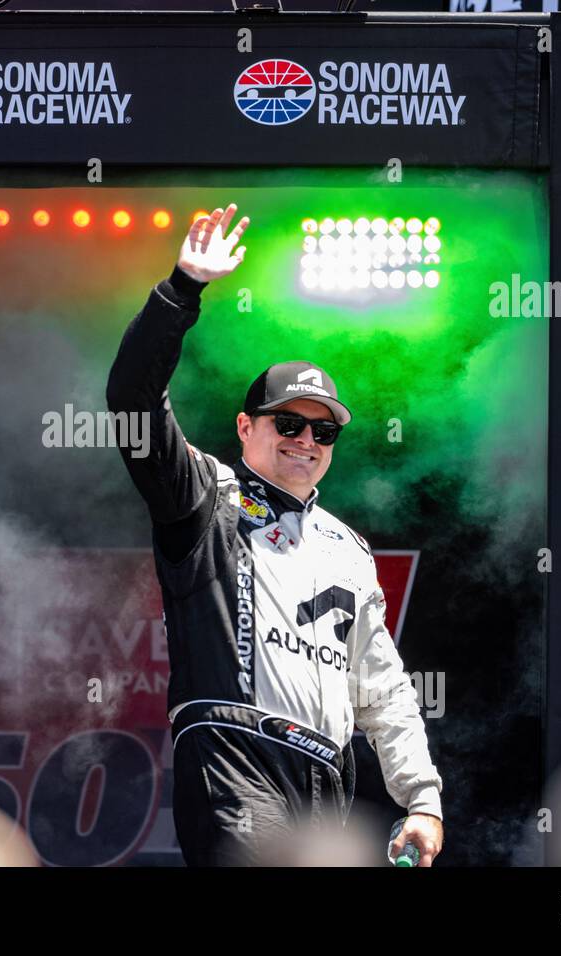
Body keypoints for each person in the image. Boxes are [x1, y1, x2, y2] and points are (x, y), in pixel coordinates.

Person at [106, 203, 444, 866]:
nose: (307, 441)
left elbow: (382, 687)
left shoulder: (347, 548)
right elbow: (132, 403)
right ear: (245, 428)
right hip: (234, 759)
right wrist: (182, 290)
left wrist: (422, 799)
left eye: (323, 431)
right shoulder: (204, 496)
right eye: (288, 424)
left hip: (327, 781)